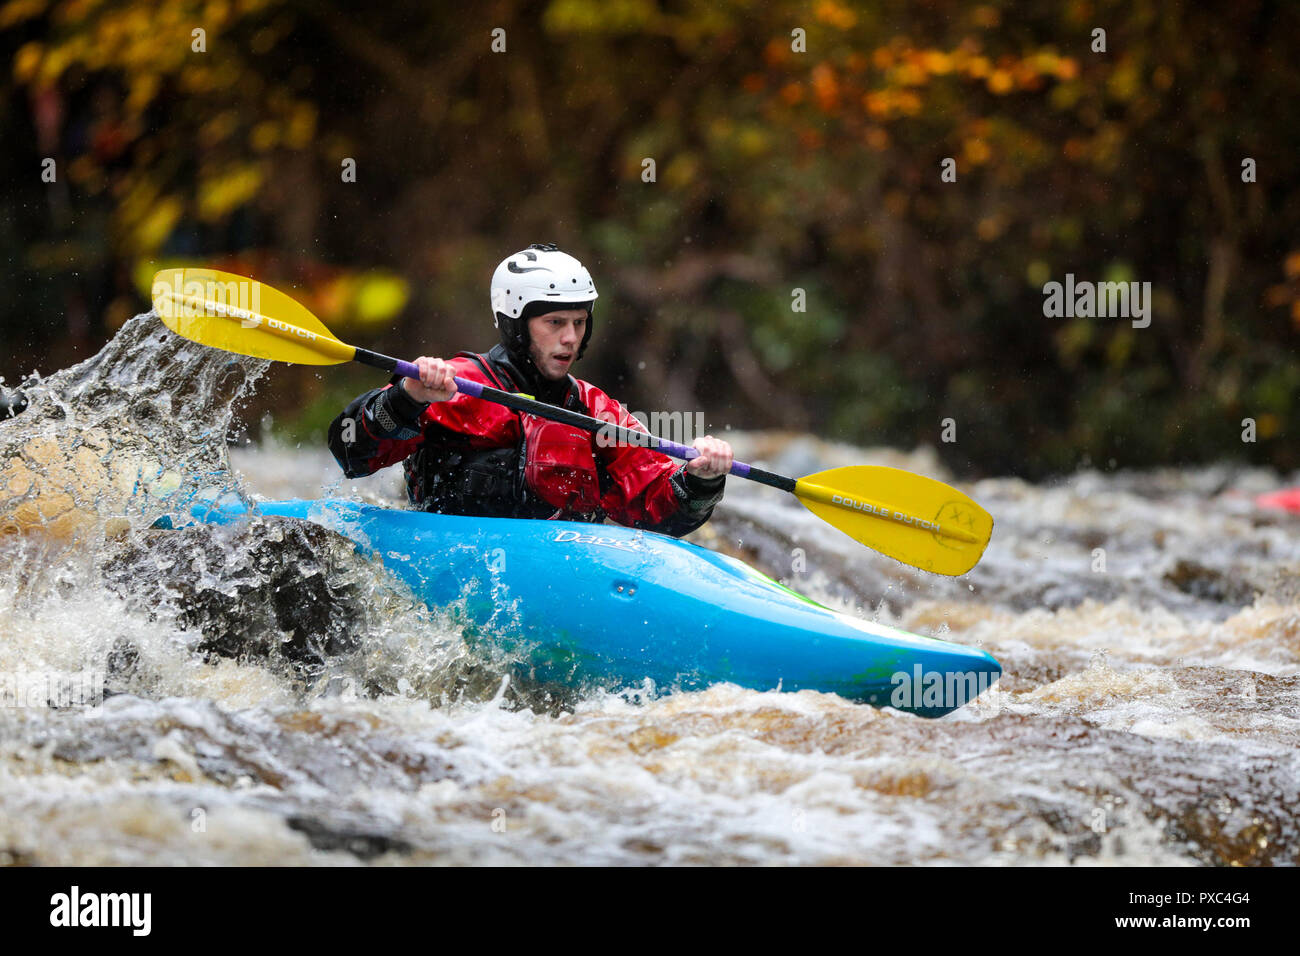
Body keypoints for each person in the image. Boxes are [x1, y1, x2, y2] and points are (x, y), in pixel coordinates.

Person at [328, 243, 733, 537]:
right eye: (554, 323)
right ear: (515, 325)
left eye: (578, 322)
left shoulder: (595, 410)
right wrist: (406, 398)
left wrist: (701, 480)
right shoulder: (453, 385)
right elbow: (351, 454)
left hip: (556, 577)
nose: (570, 338)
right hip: (455, 565)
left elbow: (661, 513)